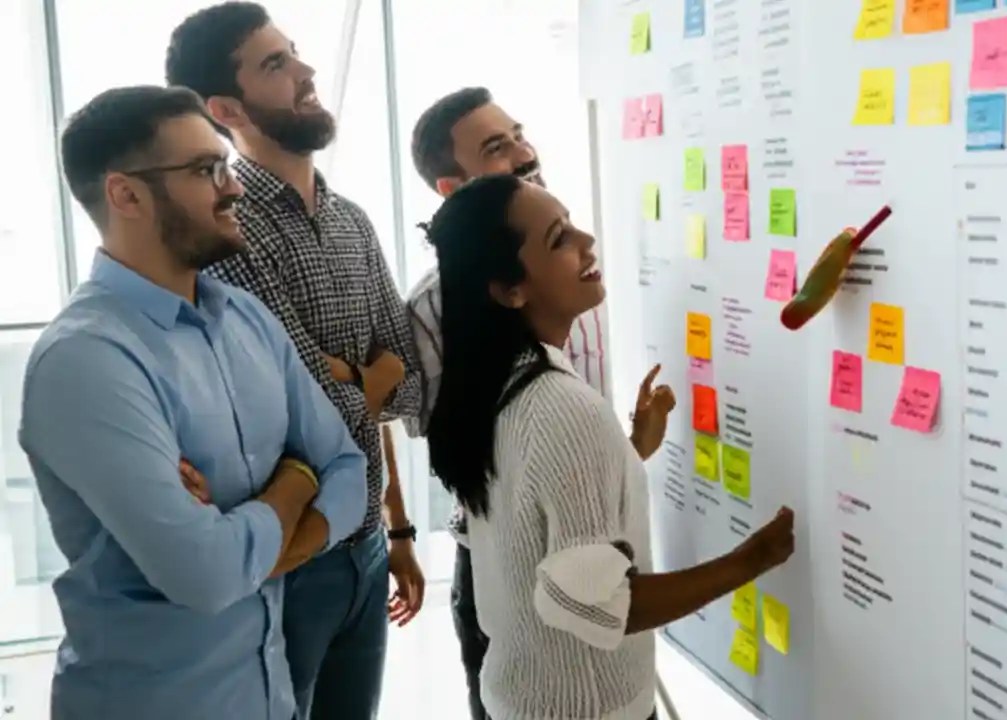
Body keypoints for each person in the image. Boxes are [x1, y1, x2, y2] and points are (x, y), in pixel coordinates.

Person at [19, 84, 368, 720]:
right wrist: (293, 481)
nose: (232, 187)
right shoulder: (88, 359)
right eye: (206, 170)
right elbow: (205, 577)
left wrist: (255, 544)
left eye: (225, 164)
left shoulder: (246, 319)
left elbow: (349, 469)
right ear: (126, 194)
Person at [425, 173, 797, 720]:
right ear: (510, 290)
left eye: (572, 224)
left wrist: (627, 452)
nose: (586, 242)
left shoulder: (496, 383)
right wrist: (754, 558)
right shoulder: (561, 405)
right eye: (558, 239)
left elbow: (534, 519)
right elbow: (601, 605)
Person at [165, 4, 425, 717]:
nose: (306, 73)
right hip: (286, 561)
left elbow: (404, 382)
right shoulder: (229, 230)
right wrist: (360, 380)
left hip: (365, 546)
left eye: (296, 54)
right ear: (226, 108)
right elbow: (315, 408)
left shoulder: (352, 220)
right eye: (275, 65)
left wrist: (398, 528)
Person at [405, 87, 665, 720]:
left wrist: (625, 451)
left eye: (518, 133)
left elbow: (569, 442)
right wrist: (755, 557)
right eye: (497, 147)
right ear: (451, 186)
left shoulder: (570, 275)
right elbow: (463, 445)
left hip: (594, 546)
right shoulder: (439, 307)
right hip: (511, 571)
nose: (524, 152)